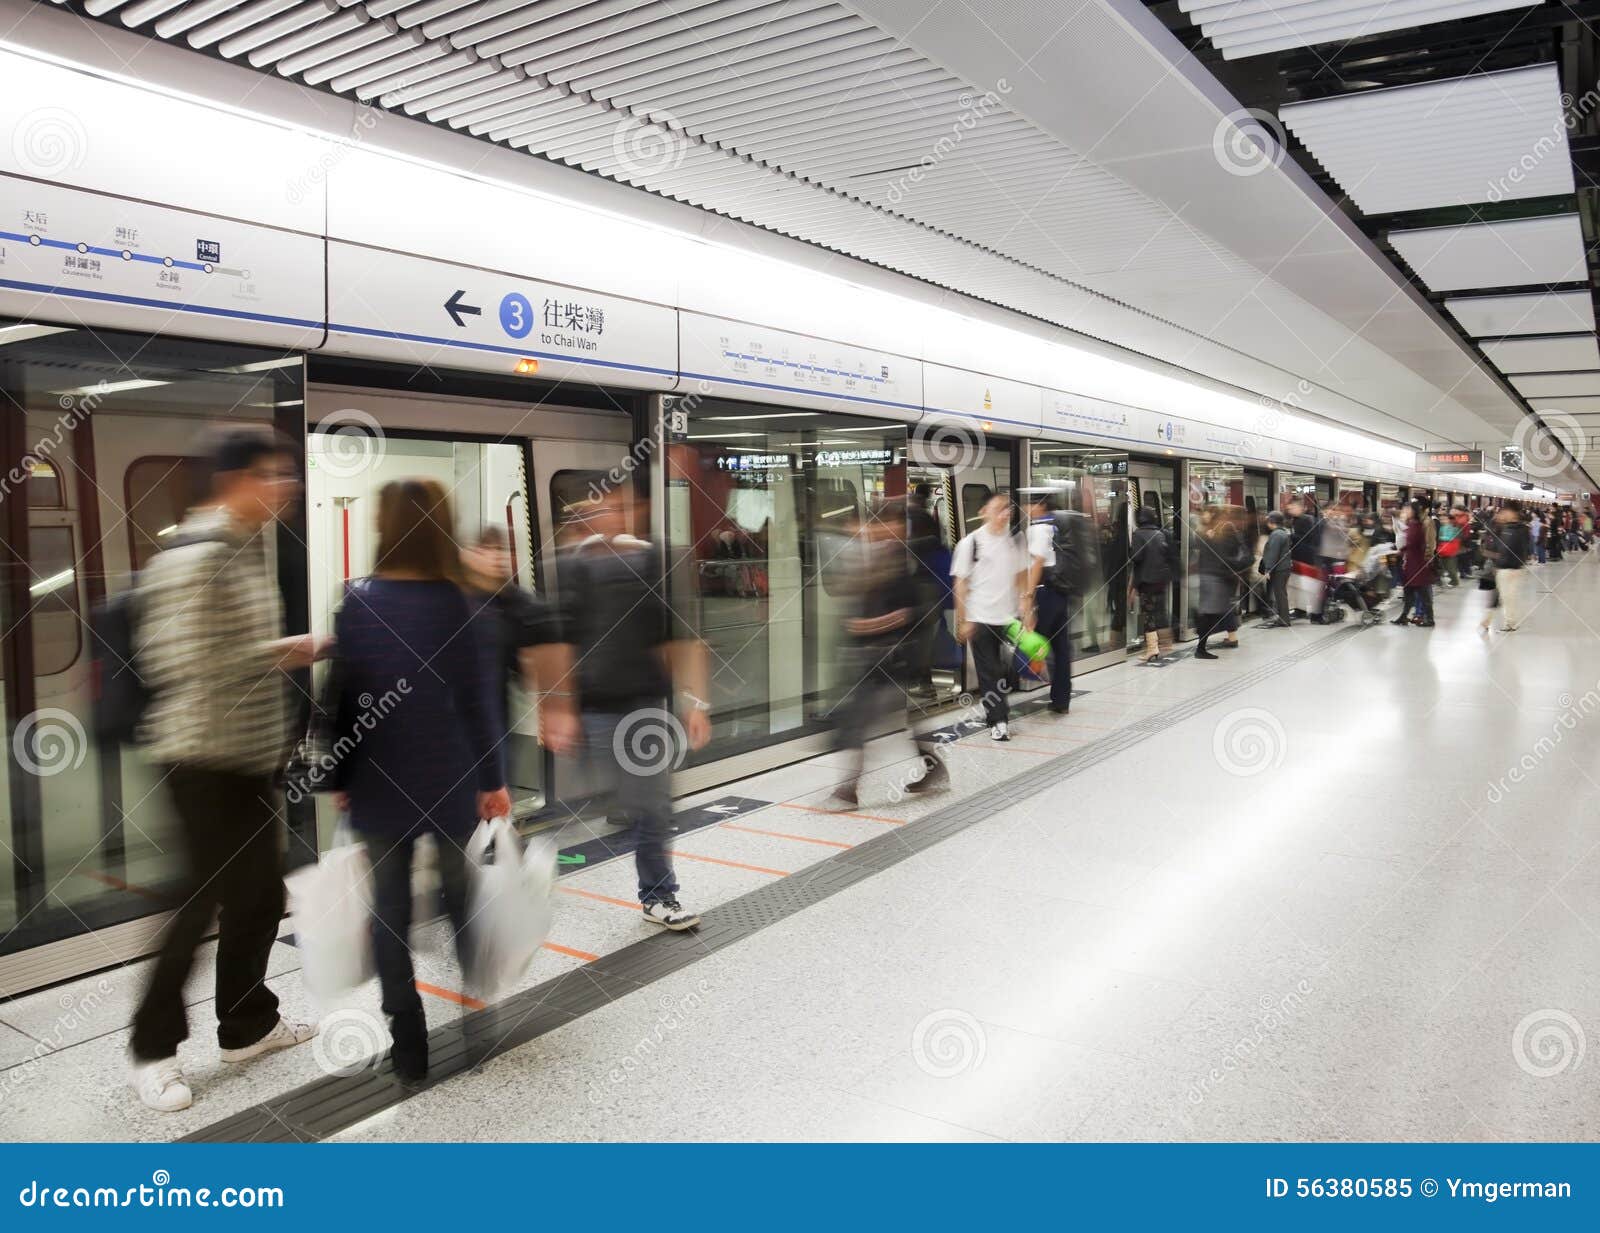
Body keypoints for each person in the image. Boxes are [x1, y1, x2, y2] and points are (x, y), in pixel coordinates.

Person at [129, 427, 328, 1113]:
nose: (286, 487)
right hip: (200, 759)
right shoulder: (196, 556)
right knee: (195, 906)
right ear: (237, 480)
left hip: (244, 761)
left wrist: (282, 650)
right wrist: (288, 649)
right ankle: (152, 1051)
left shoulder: (243, 549)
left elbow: (231, 648)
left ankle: (249, 1026)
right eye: (273, 474)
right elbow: (180, 663)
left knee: (260, 897)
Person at [329, 479, 511, 1083]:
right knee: (461, 894)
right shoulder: (459, 603)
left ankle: (408, 1038)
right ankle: (477, 1001)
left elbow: (343, 698)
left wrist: (339, 772)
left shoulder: (359, 602)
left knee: (389, 910)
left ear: (384, 526)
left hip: (380, 778)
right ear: (441, 527)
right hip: (448, 776)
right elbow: (477, 700)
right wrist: (493, 779)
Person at [554, 486, 710, 928]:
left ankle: (660, 895)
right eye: (601, 507)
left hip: (644, 707)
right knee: (586, 804)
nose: (609, 515)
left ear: (635, 512)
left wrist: (695, 702)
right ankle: (536, 878)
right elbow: (560, 640)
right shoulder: (572, 566)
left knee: (653, 806)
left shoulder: (654, 561)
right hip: (592, 707)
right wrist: (560, 707)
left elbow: (680, 635)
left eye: (620, 507)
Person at [826, 499, 949, 808]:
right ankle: (935, 770)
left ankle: (847, 790)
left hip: (897, 654)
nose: (875, 530)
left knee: (863, 718)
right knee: (877, 718)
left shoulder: (907, 558)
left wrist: (881, 623)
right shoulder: (870, 555)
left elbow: (918, 608)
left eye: (883, 524)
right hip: (871, 653)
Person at [461, 525, 574, 780]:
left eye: (502, 549)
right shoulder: (453, 598)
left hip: (495, 718)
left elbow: (547, 637)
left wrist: (553, 705)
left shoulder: (513, 601)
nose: (496, 557)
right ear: (469, 554)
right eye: (486, 549)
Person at [951, 491, 1028, 740]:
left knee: (1006, 669)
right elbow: (961, 584)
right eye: (998, 509)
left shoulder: (1016, 540)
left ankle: (995, 711)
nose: (1004, 513)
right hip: (980, 618)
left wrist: (1028, 608)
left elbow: (1021, 577)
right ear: (983, 512)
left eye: (1007, 509)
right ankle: (999, 721)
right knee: (990, 671)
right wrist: (963, 620)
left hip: (1009, 618)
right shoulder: (970, 543)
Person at [1023, 491, 1074, 713]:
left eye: (1028, 503)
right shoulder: (1057, 527)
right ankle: (1061, 699)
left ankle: (1022, 679)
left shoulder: (1037, 529)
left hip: (1044, 592)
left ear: (1039, 505)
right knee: (1061, 647)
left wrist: (1027, 596)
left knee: (1031, 642)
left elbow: (1037, 564)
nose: (1025, 507)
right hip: (1060, 591)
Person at [1194, 507, 1247, 658]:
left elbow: (1224, 552)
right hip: (1215, 576)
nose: (1202, 516)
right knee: (1215, 611)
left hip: (1218, 576)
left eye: (1205, 513)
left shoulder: (1222, 530)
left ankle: (1202, 646)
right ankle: (1202, 646)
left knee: (1215, 611)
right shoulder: (1210, 531)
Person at [1129, 505, 1176, 663]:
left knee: (1148, 614)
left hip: (1146, 581)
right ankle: (1164, 643)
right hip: (1161, 580)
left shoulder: (1138, 534)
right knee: (1159, 611)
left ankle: (1152, 648)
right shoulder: (1160, 533)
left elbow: (1137, 557)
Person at [1482, 504, 1533, 632]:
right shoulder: (1506, 528)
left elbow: (1513, 550)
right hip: (1503, 567)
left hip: (1511, 568)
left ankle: (1509, 623)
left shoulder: (1518, 530)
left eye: (1505, 512)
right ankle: (1489, 620)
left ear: (1513, 513)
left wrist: (1500, 561)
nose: (1502, 515)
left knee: (1508, 596)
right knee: (1502, 595)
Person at [1394, 499, 1436, 627]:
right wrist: (1401, 552)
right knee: (1409, 592)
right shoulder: (1412, 524)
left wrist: (1428, 560)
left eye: (1408, 509)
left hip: (1418, 564)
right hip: (1411, 562)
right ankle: (1404, 616)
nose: (1405, 511)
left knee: (1423, 593)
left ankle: (1429, 618)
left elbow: (1425, 543)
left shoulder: (1421, 524)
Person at [1257, 511, 1292, 627]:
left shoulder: (1276, 535)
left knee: (1280, 594)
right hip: (1284, 568)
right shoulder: (1283, 533)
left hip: (1279, 569)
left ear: (1272, 522)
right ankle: (1284, 617)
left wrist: (1268, 569)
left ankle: (1284, 619)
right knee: (1281, 593)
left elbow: (1273, 553)